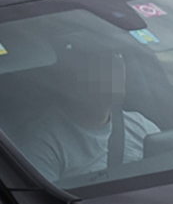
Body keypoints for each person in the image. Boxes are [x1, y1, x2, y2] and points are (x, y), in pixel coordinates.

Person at [20, 47, 157, 186]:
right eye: (102, 61)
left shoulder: (142, 127)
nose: (117, 65)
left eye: (118, 55)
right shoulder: (44, 142)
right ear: (74, 78)